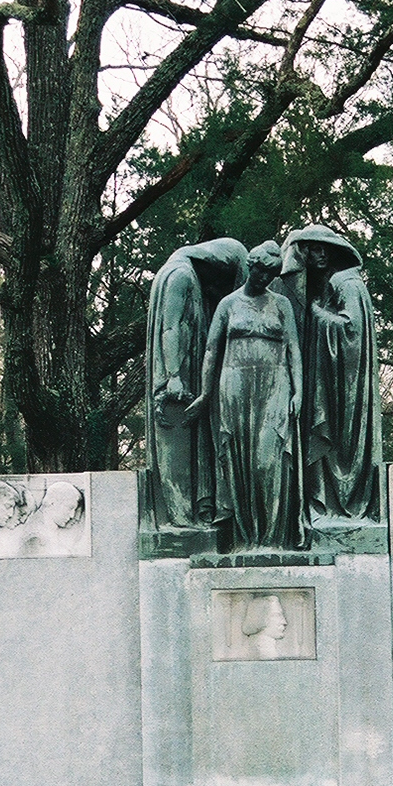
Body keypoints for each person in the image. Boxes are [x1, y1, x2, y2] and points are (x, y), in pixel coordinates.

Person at [186, 241, 306, 551]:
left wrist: (299, 392)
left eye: (271, 274)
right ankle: (244, 540)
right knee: (239, 463)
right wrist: (205, 393)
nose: (265, 278)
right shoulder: (228, 304)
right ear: (250, 267)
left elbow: (293, 348)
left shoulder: (281, 304)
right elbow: (212, 350)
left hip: (275, 388)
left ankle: (273, 540)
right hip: (235, 389)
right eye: (261, 271)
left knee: (268, 463)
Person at [280, 225, 382, 527]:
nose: (320, 253)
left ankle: (338, 505)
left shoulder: (344, 281)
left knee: (337, 439)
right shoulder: (330, 283)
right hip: (329, 373)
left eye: (325, 247)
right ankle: (322, 504)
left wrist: (316, 314)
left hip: (342, 380)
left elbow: (352, 330)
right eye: (312, 248)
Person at [146, 239, 249, 530]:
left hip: (185, 375)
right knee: (177, 445)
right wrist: (174, 375)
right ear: (215, 266)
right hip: (176, 380)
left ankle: (189, 514)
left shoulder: (182, 273)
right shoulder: (179, 275)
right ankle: (180, 517)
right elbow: (171, 326)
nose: (218, 292)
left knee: (186, 445)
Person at [24, 480, 88, 556]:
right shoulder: (37, 537)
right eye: (70, 507)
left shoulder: (46, 528)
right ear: (52, 502)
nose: (72, 515)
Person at [242, 593, 290, 660]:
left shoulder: (270, 649)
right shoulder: (262, 651)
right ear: (260, 618)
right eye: (277, 615)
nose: (284, 622)